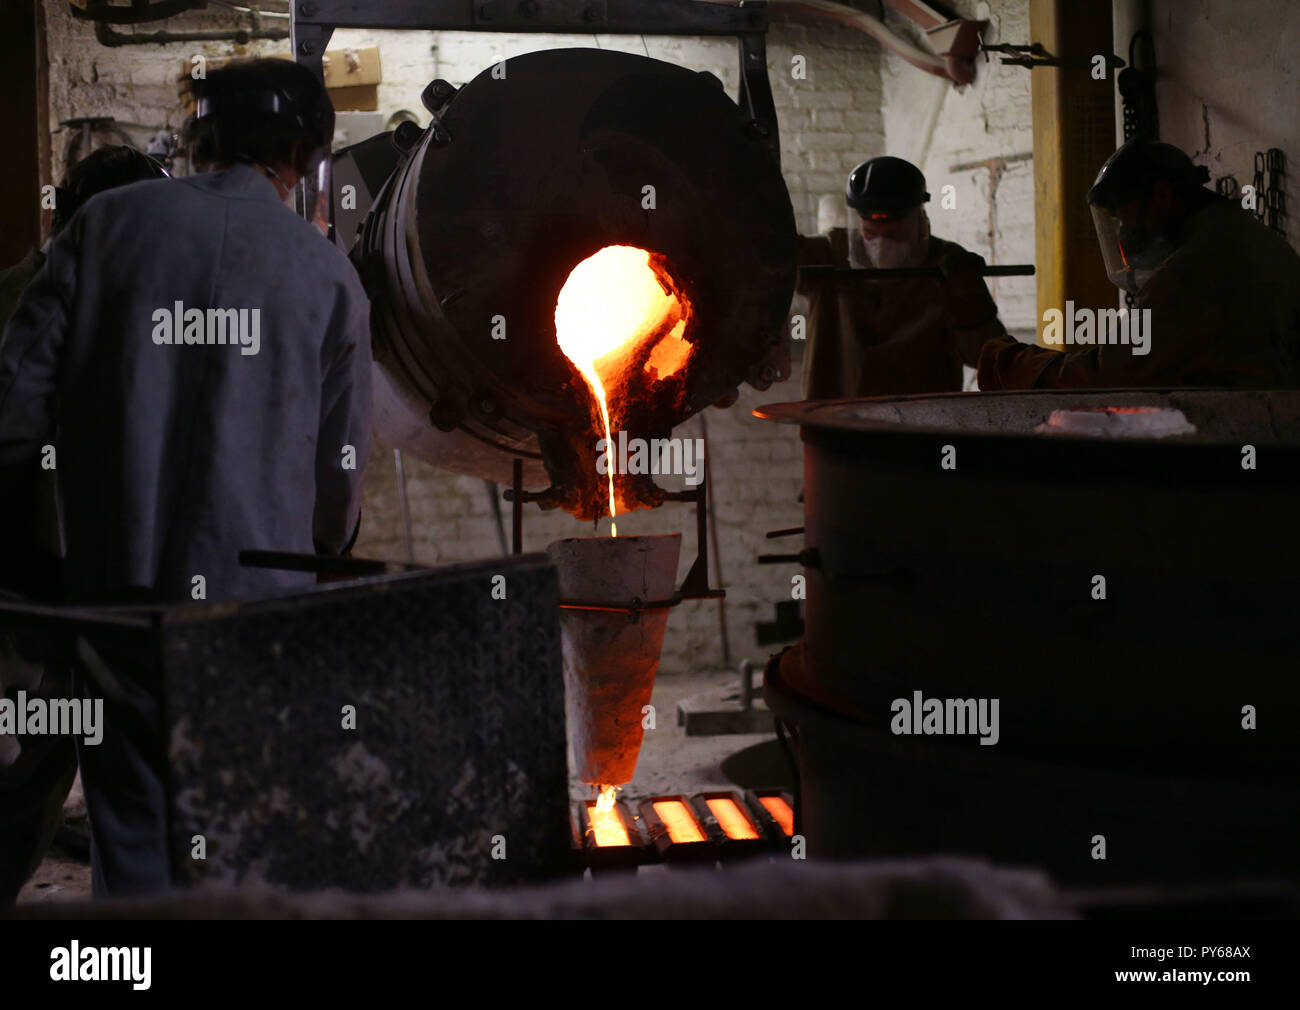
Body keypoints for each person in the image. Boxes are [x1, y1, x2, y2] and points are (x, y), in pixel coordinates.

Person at [0, 58, 373, 896]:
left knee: (131, 835)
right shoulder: (327, 277)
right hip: (255, 603)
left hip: (115, 592)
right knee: (239, 835)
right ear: (310, 148)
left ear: (196, 135)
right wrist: (321, 552)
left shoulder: (105, 229)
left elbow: (16, 411)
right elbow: (338, 481)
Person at [0, 145, 169, 907]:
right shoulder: (26, 304)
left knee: (38, 783)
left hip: (77, 599)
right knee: (26, 778)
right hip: (34, 600)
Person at [973, 139, 1300, 389]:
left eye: (1123, 215)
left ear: (1160, 195)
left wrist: (1011, 361)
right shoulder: (1252, 237)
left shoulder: (1190, 271)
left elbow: (1109, 377)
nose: (1124, 233)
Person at [797, 155, 1013, 398]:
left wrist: (968, 297)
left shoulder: (946, 266)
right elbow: (764, 261)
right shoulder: (827, 255)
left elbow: (989, 357)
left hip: (917, 426)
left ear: (918, 220)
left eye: (893, 235)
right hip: (834, 423)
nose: (881, 244)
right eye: (870, 233)